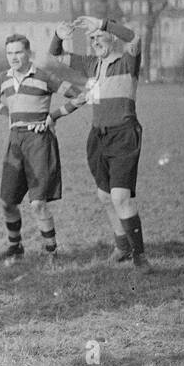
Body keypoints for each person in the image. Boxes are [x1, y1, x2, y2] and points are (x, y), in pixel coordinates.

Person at [48, 15, 151, 269]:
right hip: (97, 136)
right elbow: (57, 55)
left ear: (112, 37)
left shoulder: (128, 59)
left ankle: (140, 256)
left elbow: (135, 38)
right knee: (104, 196)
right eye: (91, 38)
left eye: (99, 36)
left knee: (120, 197)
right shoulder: (91, 64)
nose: (95, 41)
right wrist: (58, 36)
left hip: (123, 134)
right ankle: (122, 247)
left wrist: (102, 23)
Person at [0, 34, 86, 265]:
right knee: (7, 202)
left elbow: (80, 95)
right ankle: (15, 248)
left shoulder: (44, 77)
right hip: (15, 142)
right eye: (10, 53)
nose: (14, 58)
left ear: (28, 53)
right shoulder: (3, 79)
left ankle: (51, 253)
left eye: (18, 52)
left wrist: (53, 116)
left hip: (39, 142)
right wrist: (7, 114)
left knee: (38, 203)